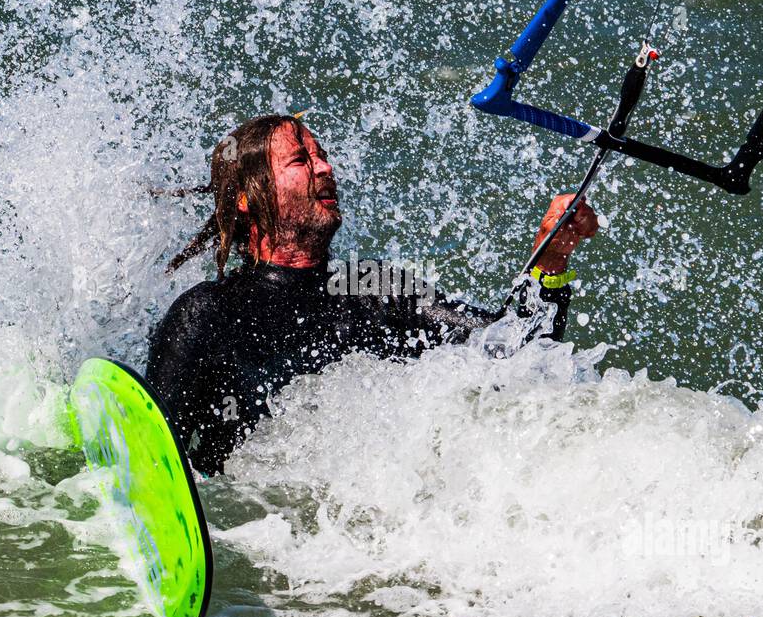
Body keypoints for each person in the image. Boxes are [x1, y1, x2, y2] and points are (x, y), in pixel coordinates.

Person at [147, 114, 598, 474]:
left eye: (322, 156)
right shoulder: (207, 314)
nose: (325, 168)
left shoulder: (377, 291)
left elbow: (519, 352)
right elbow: (149, 454)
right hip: (243, 537)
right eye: (301, 161)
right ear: (247, 198)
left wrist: (551, 259)